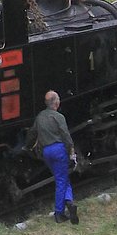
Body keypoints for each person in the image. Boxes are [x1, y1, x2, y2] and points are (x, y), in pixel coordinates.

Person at [30, 89, 79, 224]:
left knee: (62, 177)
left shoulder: (39, 117)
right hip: (59, 150)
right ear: (56, 102)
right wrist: (71, 151)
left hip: (46, 152)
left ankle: (69, 201)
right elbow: (66, 136)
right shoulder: (59, 117)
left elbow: (32, 133)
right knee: (61, 181)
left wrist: (27, 147)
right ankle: (59, 213)